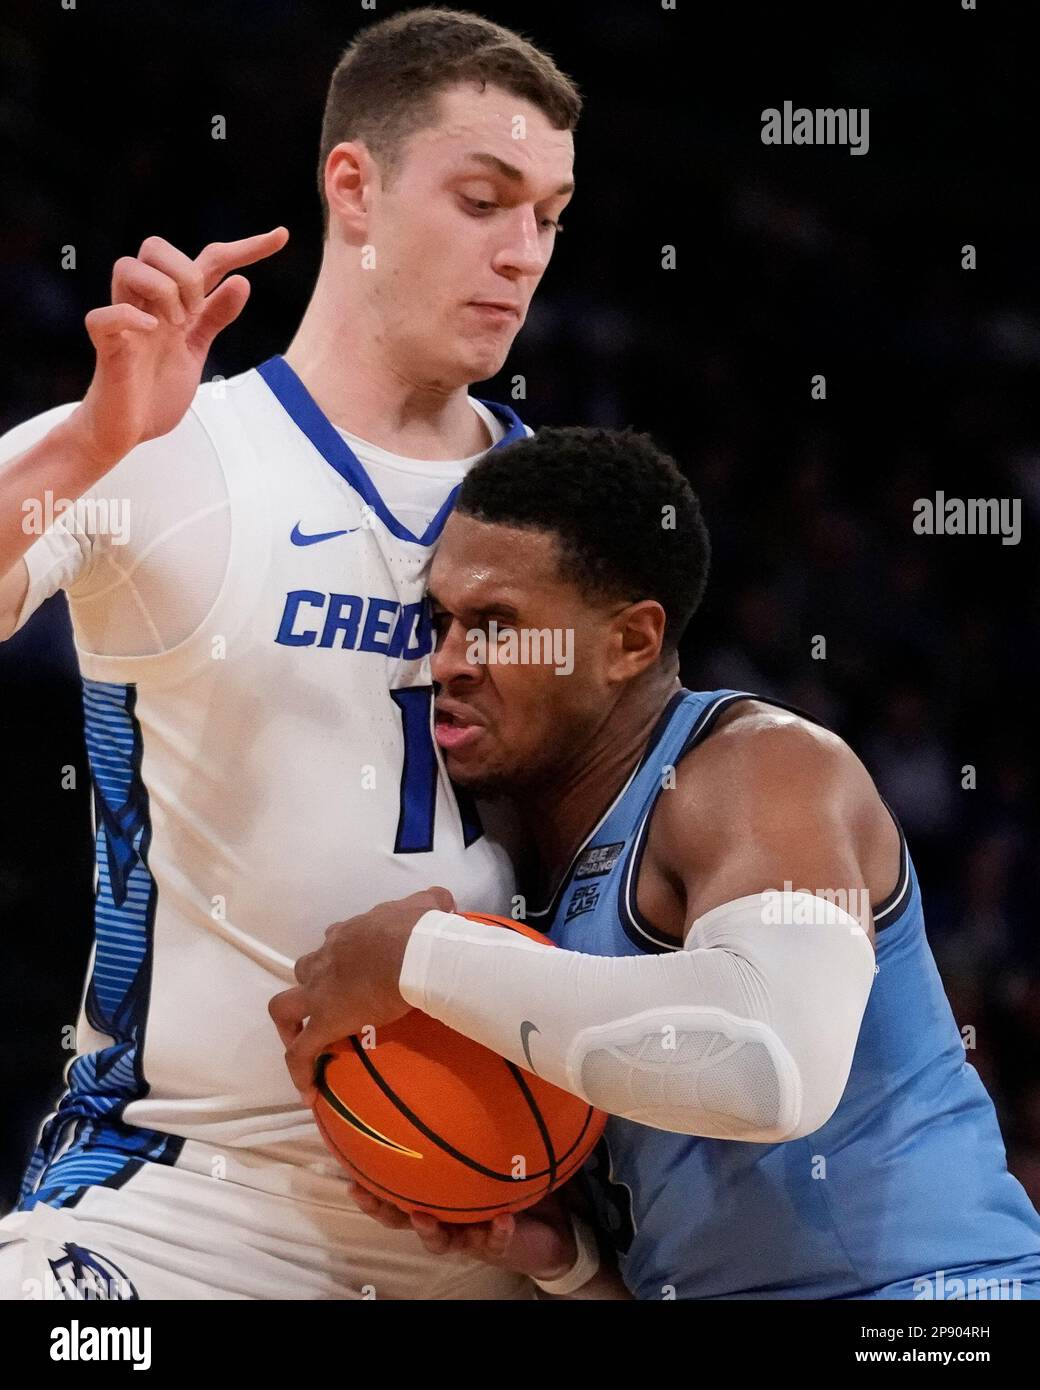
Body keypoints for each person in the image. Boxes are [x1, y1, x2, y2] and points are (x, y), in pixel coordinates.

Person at [0, 8, 578, 1300]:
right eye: (485, 200)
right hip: (182, 1202)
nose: (522, 253)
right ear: (354, 187)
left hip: (495, 1211)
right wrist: (89, 447)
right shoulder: (170, 445)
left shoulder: (568, 514)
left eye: (549, 213)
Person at [274, 425, 1040, 1300]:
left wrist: (417, 960)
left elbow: (770, 1069)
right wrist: (564, 1261)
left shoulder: (763, 770)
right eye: (441, 622)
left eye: (496, 626)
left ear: (631, 642)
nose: (447, 663)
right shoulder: (525, 867)